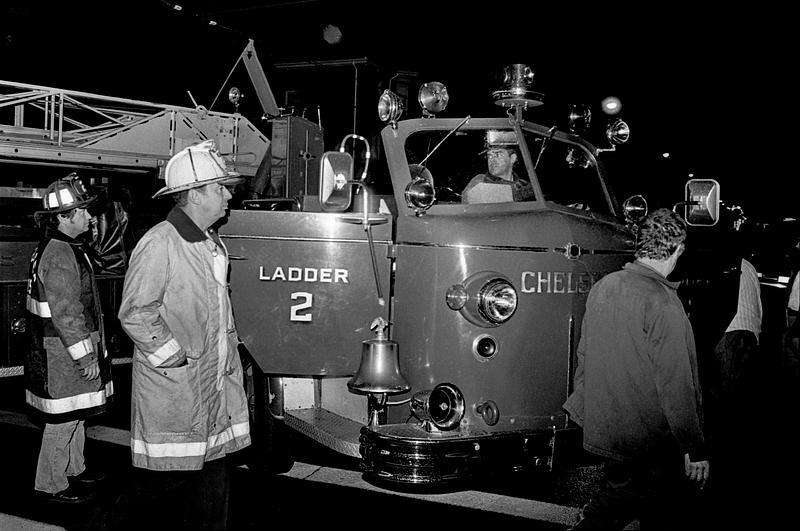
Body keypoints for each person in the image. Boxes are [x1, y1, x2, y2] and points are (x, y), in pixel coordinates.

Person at [115, 139, 251, 530]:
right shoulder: (161, 242)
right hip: (180, 389)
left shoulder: (209, 242)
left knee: (212, 484)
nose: (228, 196)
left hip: (212, 390)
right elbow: (136, 312)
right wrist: (173, 356)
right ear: (194, 194)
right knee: (161, 483)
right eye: (220, 188)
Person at [562, 208, 709, 530]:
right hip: (648, 439)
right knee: (647, 507)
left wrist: (586, 410)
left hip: (609, 427)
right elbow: (676, 384)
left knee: (622, 499)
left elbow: (584, 354)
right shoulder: (663, 303)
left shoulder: (605, 286)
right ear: (676, 249)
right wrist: (694, 447)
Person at [25, 173, 113, 503]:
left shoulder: (63, 247)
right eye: (83, 211)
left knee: (77, 412)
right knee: (63, 419)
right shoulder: (60, 253)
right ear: (64, 217)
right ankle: (51, 484)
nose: (90, 217)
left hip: (60, 350)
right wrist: (86, 357)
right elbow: (67, 313)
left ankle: (75, 468)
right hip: (63, 354)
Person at [461, 136, 534, 204]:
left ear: (512, 158)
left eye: (498, 155)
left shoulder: (524, 185)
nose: (492, 160)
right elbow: (467, 202)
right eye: (489, 156)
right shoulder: (480, 180)